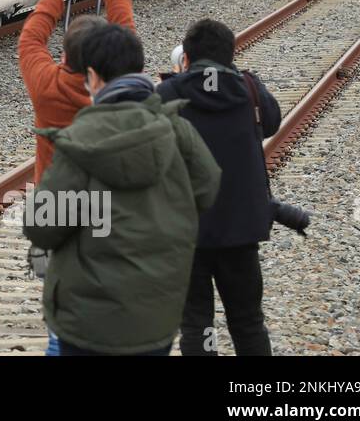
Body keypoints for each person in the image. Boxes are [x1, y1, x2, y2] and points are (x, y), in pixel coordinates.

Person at [24, 23, 222, 356]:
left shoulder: (79, 141)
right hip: (156, 315)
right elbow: (208, 186)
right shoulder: (177, 129)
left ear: (93, 77)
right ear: (141, 70)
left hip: (87, 321)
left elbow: (42, 228)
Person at [17, 0, 134, 355]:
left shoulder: (48, 87)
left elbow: (30, 41)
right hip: (106, 203)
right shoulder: (117, 89)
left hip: (55, 206)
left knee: (61, 311)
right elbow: (124, 30)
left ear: (64, 56)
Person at [158, 19, 280, 357]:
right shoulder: (249, 89)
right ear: (230, 54)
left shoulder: (168, 94)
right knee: (247, 322)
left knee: (198, 325)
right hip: (240, 232)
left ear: (187, 57)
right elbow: (271, 122)